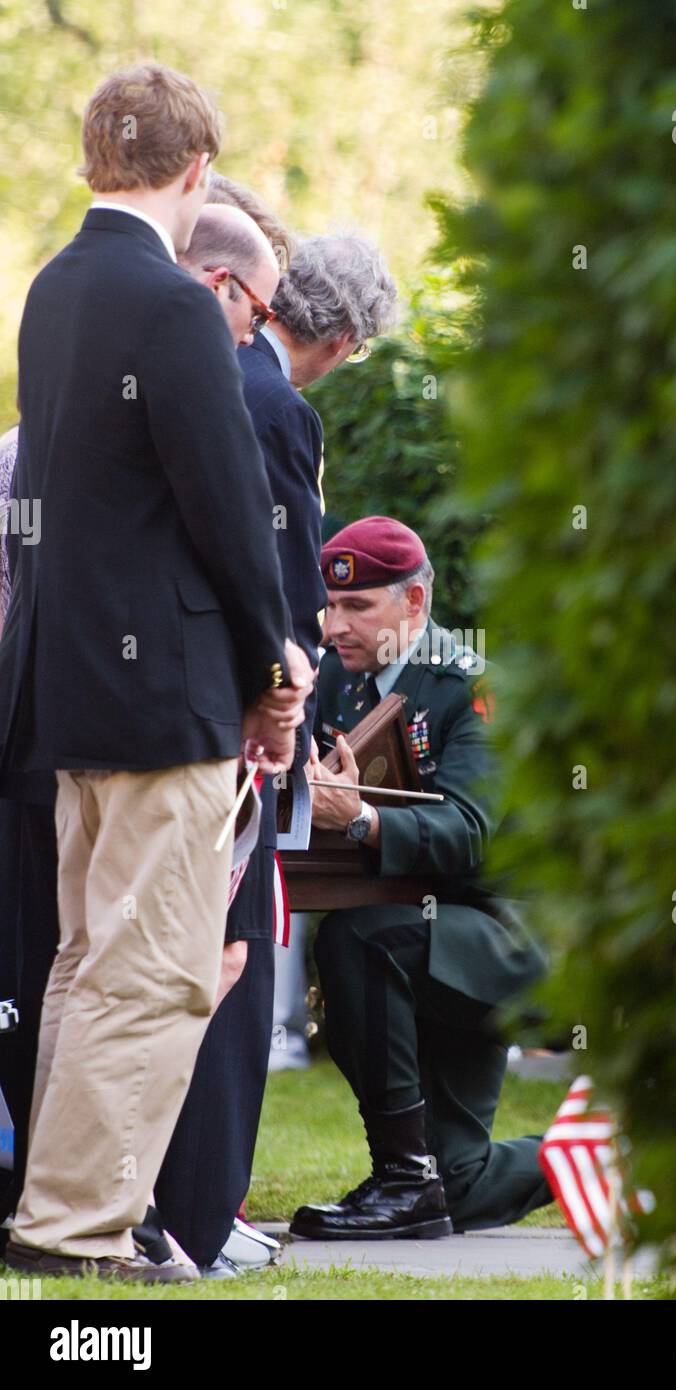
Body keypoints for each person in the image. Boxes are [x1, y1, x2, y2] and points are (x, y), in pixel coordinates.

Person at [0, 62, 313, 1283]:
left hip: (68, 688)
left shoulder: (51, 290)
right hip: (160, 696)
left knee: (90, 962)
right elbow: (227, 509)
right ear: (197, 171)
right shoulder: (176, 305)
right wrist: (275, 660)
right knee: (156, 968)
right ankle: (77, 1228)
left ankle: (76, 1211)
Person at [153, 217, 398, 1273]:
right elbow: (289, 584)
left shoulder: (212, 378)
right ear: (342, 337)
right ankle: (201, 1209)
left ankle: (196, 1204)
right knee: (235, 965)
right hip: (243, 728)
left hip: (178, 706)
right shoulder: (274, 405)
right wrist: (291, 713)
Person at [290, 517, 553, 1240]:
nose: (334, 624)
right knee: (459, 1189)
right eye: (329, 605)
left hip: (509, 943)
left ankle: (403, 1178)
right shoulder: (343, 680)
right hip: (433, 942)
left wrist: (360, 821)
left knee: (357, 943)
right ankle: (609, 1152)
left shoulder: (470, 690)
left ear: (413, 603)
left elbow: (468, 833)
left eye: (357, 606)